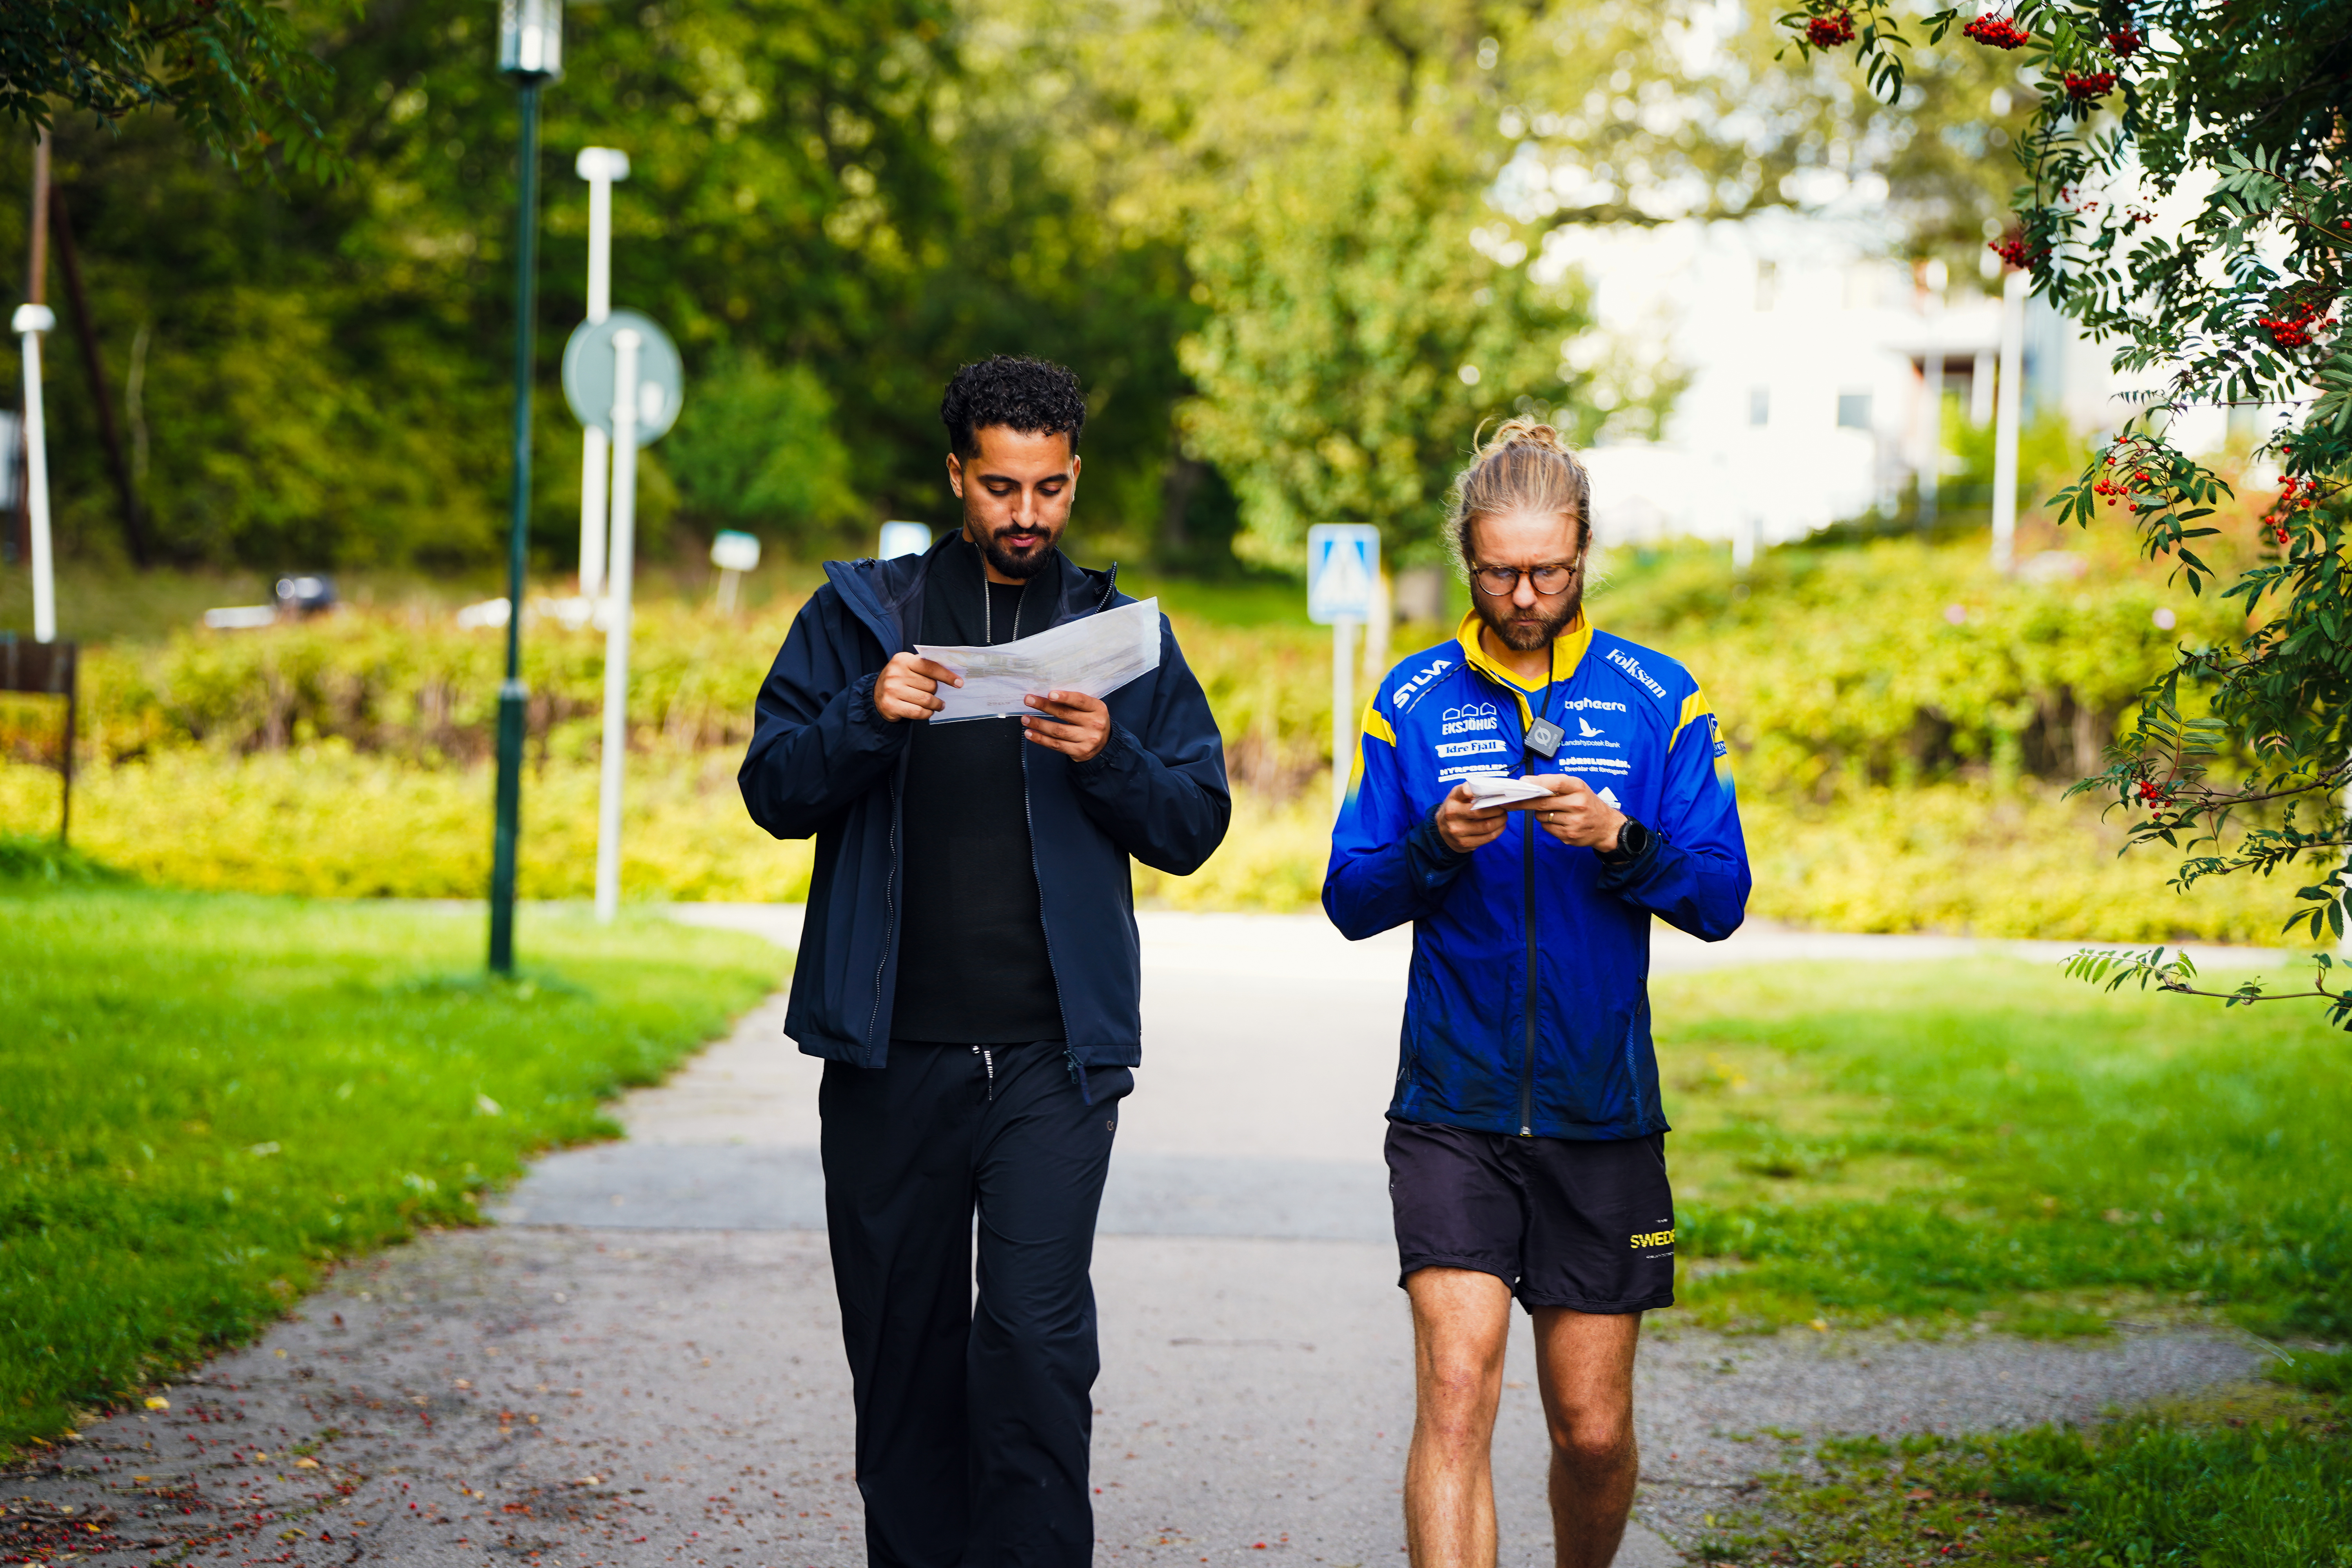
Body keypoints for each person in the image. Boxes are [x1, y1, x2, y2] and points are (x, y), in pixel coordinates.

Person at [737, 355, 1230, 1567]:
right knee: (902, 1355)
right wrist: (865, 713)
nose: (1027, 515)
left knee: (1034, 1348)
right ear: (957, 474)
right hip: (888, 1057)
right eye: (1002, 487)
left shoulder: (1120, 639)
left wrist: (1110, 754)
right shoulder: (860, 618)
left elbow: (1194, 825)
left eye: (1050, 489)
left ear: (1076, 479)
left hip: (1056, 1061)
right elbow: (773, 791)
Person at [1323, 418, 1749, 1568]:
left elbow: (1722, 897)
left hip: (1600, 1114)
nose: (1524, 597)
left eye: (1550, 572)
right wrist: (1434, 844)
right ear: (1466, 556)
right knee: (1457, 1398)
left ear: (1585, 552)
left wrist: (1621, 839)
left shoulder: (1659, 698)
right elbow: (1350, 897)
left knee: (1593, 1432)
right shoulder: (1412, 699)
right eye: (1500, 572)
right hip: (1452, 1109)